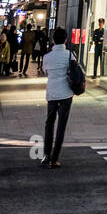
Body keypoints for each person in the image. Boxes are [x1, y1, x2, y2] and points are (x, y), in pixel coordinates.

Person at [42, 27, 76, 169]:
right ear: (66, 40)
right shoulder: (70, 55)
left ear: (53, 40)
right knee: (61, 126)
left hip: (52, 94)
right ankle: (54, 159)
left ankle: (46, 155)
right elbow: (74, 72)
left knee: (49, 123)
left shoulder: (47, 57)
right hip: (66, 94)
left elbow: (46, 73)